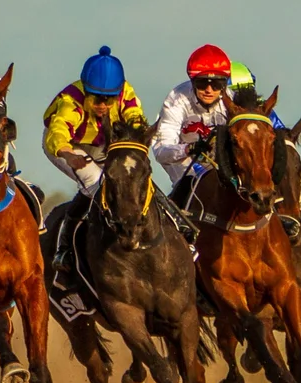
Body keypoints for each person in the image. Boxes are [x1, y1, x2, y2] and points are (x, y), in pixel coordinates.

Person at [43, 45, 190, 278]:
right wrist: (69, 155)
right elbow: (57, 133)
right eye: (97, 99)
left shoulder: (125, 93)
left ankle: (178, 224)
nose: (103, 105)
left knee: (134, 175)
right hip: (69, 146)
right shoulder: (71, 101)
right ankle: (64, 247)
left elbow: (134, 116)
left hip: (105, 143)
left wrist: (139, 134)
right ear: (86, 91)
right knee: (94, 181)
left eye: (109, 99)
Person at [152, 46, 285, 204]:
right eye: (202, 83)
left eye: (216, 84)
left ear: (225, 83)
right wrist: (188, 149)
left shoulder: (233, 101)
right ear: (192, 81)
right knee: (191, 184)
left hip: (218, 159)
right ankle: (177, 218)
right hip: (183, 158)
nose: (209, 90)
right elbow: (161, 151)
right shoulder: (176, 100)